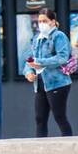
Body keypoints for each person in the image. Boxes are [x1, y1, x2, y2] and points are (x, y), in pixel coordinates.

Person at [25, 7, 73, 137]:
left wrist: (39, 62)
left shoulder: (59, 36)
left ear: (52, 21)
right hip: (40, 83)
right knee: (40, 118)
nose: (41, 24)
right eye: (40, 21)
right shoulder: (36, 38)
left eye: (44, 21)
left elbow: (62, 57)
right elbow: (29, 59)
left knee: (59, 117)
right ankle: (40, 149)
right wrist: (28, 72)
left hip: (57, 82)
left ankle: (69, 146)